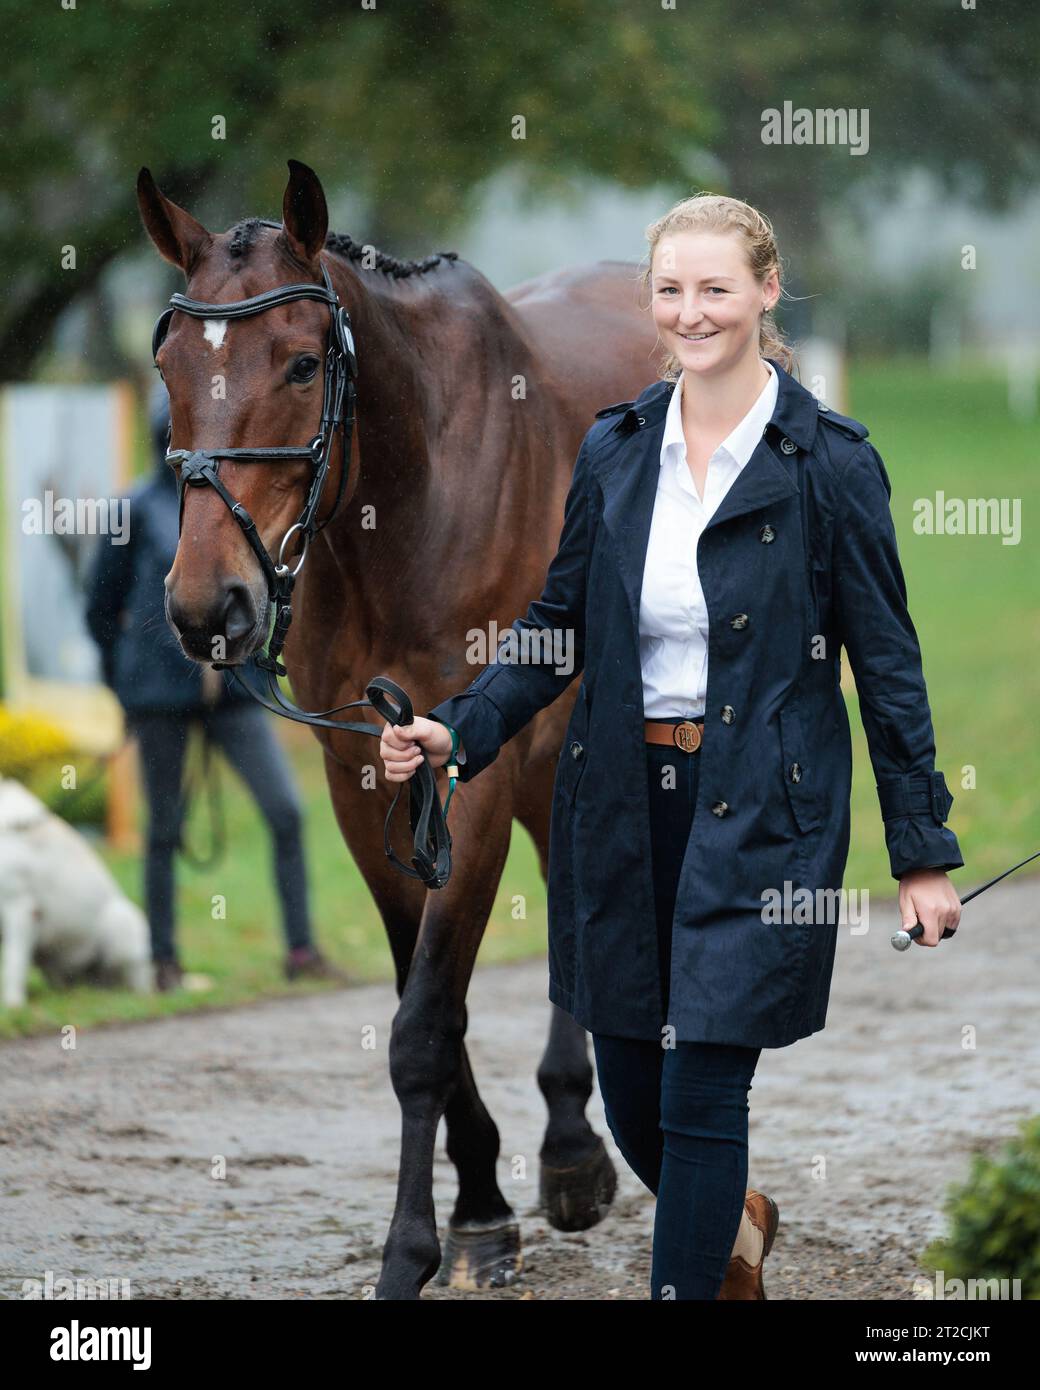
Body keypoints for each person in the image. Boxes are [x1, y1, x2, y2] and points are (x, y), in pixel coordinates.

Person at [378, 194, 964, 1300]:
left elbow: (885, 664)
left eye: (713, 289)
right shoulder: (615, 449)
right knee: (631, 1095)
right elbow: (555, 626)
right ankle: (732, 1232)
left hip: (760, 810)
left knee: (704, 1093)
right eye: (669, 291)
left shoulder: (828, 464)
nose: (688, 313)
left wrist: (920, 850)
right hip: (620, 804)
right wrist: (455, 727)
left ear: (764, 292)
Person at [85, 382, 347, 992]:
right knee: (165, 830)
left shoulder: (235, 506)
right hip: (158, 698)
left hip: (234, 692)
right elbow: (100, 611)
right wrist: (121, 688)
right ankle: (163, 960)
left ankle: (302, 951)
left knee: (284, 810)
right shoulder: (132, 511)